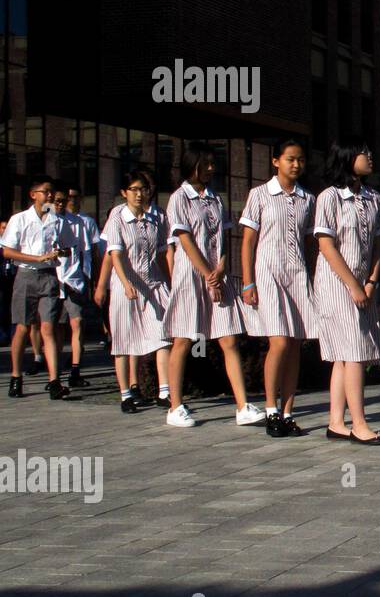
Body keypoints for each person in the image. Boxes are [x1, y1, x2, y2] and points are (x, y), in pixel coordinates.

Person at [162, 142, 263, 428]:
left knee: (229, 339)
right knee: (183, 340)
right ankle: (175, 406)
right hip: (191, 276)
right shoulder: (179, 198)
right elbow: (185, 240)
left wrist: (220, 268)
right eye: (205, 163)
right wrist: (208, 274)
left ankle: (243, 406)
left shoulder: (216, 199)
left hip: (217, 277)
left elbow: (223, 238)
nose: (211, 168)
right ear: (191, 164)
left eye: (211, 163)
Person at [313, 137, 380, 445]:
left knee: (345, 356)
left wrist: (370, 281)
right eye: (363, 152)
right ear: (347, 157)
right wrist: (352, 285)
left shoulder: (373, 197)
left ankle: (336, 422)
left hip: (362, 284)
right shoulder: (329, 197)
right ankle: (359, 423)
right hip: (336, 284)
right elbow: (326, 245)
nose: (370, 156)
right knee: (355, 352)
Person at [239, 138, 316, 437]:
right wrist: (248, 282)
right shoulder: (259, 195)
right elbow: (248, 241)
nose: (296, 165)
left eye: (300, 160)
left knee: (296, 343)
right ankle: (271, 409)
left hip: (297, 275)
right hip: (267, 273)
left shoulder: (307, 199)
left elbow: (310, 245)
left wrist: (312, 279)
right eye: (290, 159)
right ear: (276, 161)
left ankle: (287, 412)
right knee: (280, 342)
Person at [101, 171, 172, 415]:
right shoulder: (117, 217)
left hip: (153, 285)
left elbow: (163, 255)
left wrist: (170, 283)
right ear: (124, 193)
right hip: (127, 289)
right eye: (133, 189)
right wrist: (124, 282)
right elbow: (115, 254)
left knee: (163, 337)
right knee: (124, 341)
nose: (139, 194)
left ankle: (165, 391)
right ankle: (126, 394)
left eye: (142, 189)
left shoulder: (157, 217)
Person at [2, 175, 75, 399]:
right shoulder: (20, 219)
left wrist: (58, 253)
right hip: (26, 275)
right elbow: (6, 250)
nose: (50, 196)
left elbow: (68, 248)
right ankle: (16, 376)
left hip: (49, 276)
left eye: (51, 192)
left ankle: (54, 380)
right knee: (23, 327)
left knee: (48, 327)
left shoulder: (58, 220)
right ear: (33, 194)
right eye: (45, 192)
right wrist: (37, 258)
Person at [51, 184, 100, 389]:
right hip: (53, 279)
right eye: (61, 199)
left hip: (74, 280)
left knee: (77, 322)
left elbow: (87, 252)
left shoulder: (81, 222)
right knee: (56, 327)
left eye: (70, 198)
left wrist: (88, 279)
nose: (67, 202)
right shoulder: (48, 221)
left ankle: (75, 368)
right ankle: (55, 373)